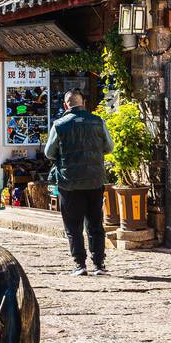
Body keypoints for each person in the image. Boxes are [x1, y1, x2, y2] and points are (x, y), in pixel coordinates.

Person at [44, 89, 114, 277]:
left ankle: (79, 264)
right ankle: (99, 264)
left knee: (73, 225)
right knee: (95, 223)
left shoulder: (59, 125)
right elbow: (109, 147)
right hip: (94, 180)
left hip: (69, 182)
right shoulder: (98, 122)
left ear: (66, 105)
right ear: (83, 102)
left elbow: (49, 153)